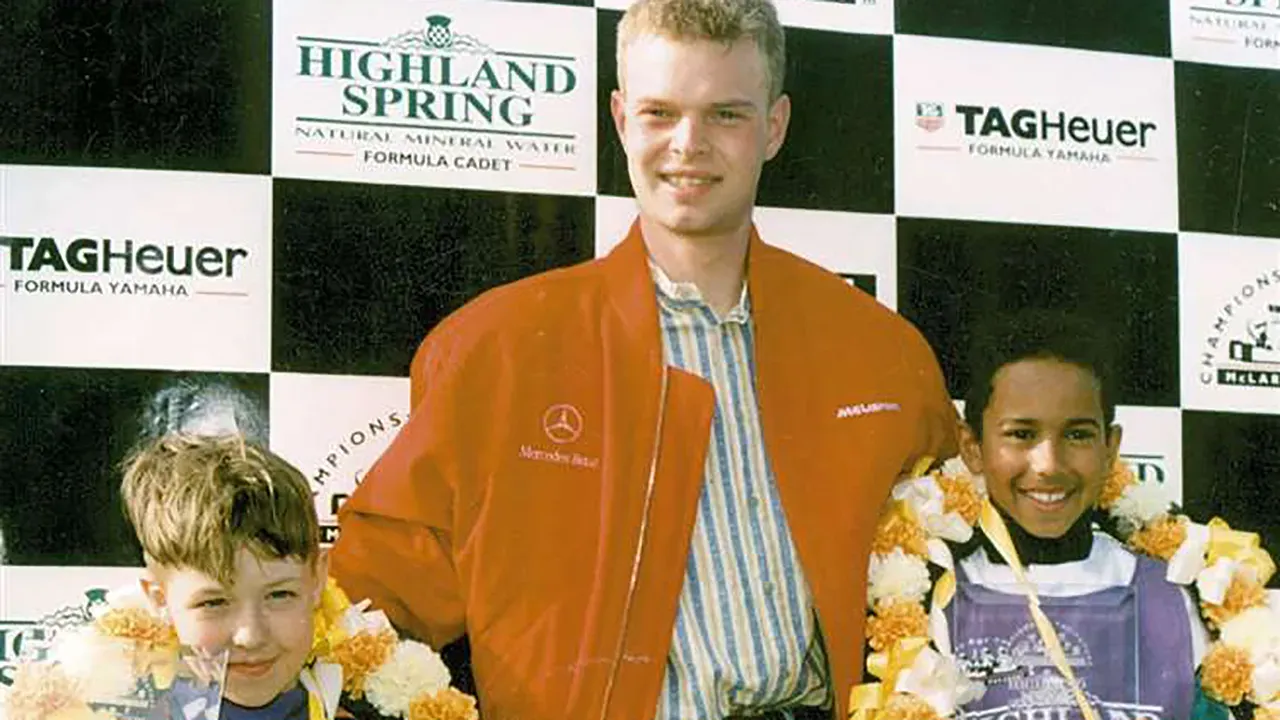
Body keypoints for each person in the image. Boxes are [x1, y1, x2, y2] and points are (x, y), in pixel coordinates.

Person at [330, 0, 957, 718]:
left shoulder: (877, 349)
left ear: (774, 127)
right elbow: (363, 609)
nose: (688, 144)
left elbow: (966, 581)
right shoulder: (495, 351)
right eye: (661, 113)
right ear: (621, 118)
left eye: (727, 114)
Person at [948, 311, 1222, 719]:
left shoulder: (1175, 598)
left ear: (1110, 448)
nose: (1049, 464)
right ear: (972, 447)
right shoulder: (935, 604)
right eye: (1021, 434)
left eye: (1077, 435)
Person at [120, 433, 328, 720]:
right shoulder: (100, 710)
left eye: (279, 595)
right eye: (214, 603)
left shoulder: (371, 708)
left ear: (317, 579)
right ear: (160, 600)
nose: (250, 637)